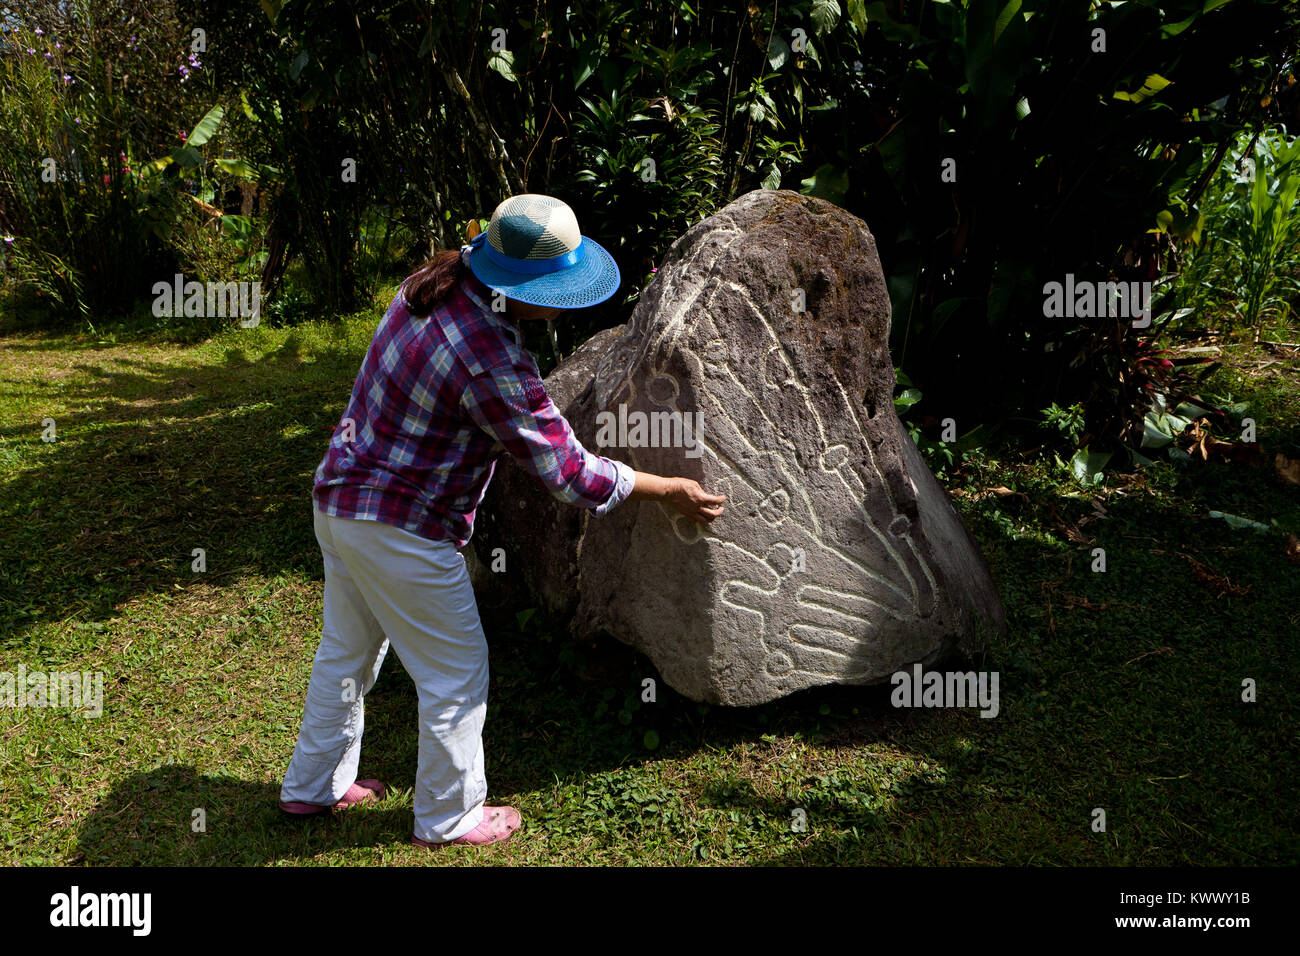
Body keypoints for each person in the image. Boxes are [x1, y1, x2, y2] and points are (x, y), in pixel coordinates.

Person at [277, 193, 725, 848]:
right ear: (525, 287)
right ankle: (449, 816)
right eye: (557, 289)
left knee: (346, 653)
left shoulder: (433, 283)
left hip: (342, 500)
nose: (564, 301)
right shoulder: (492, 357)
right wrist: (664, 488)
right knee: (455, 673)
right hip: (402, 525)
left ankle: (311, 787)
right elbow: (568, 472)